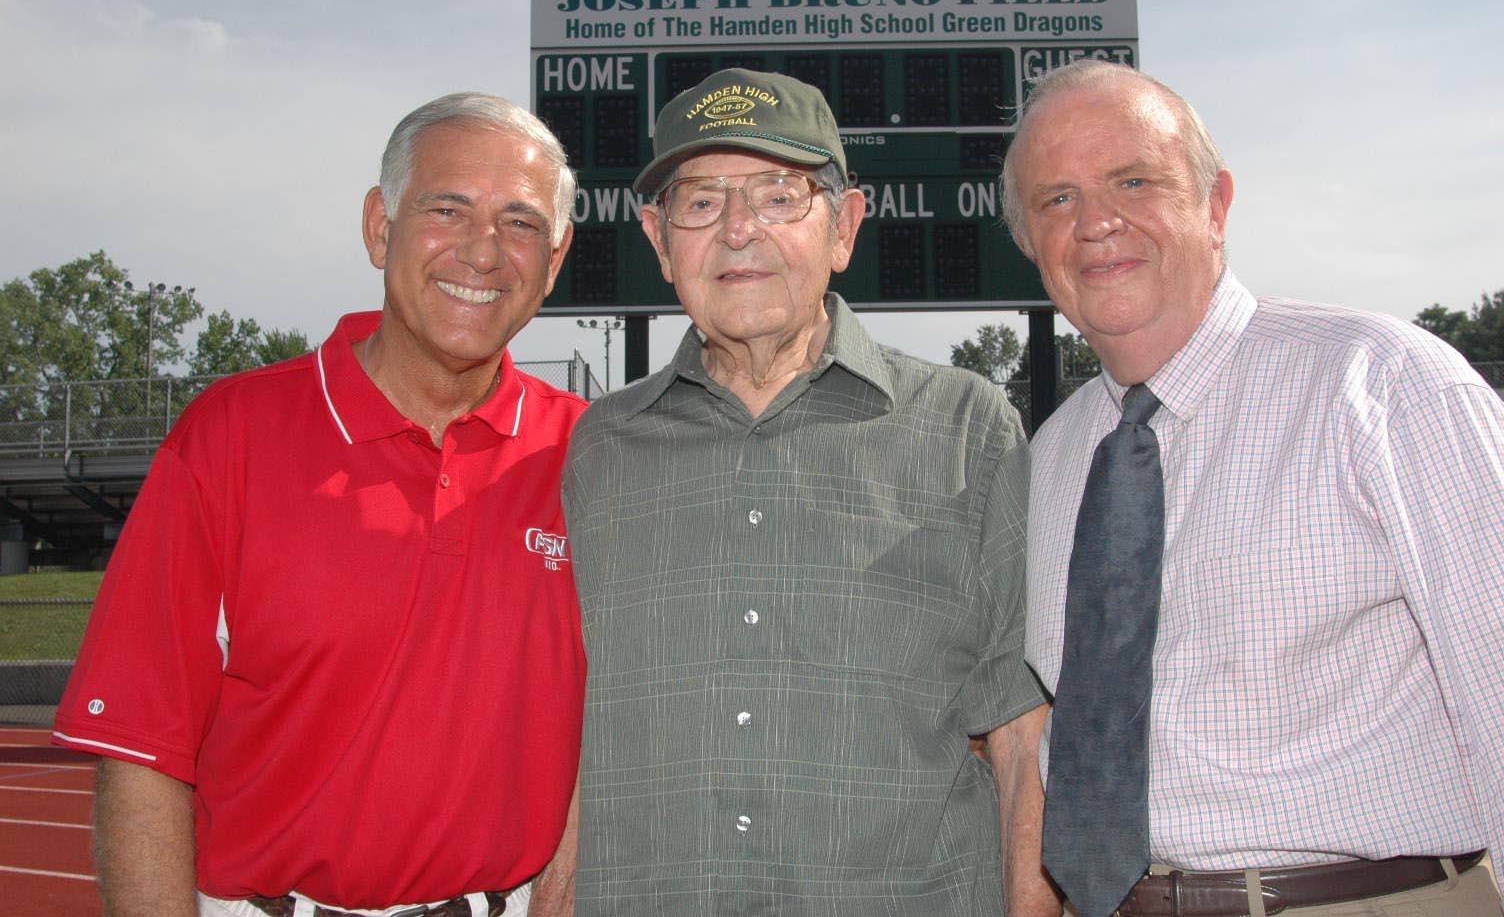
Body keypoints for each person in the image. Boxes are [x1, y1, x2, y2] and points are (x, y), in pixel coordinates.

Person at [53, 93, 588, 917]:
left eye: (520, 223)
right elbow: (140, 749)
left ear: (554, 259)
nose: (483, 252)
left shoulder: (593, 456)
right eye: (447, 209)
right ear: (380, 226)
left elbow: (620, 722)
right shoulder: (229, 437)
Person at [1008, 58, 1504, 917]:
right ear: (1030, 243)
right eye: (1057, 199)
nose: (1095, 223)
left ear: (1215, 205)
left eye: (1134, 181)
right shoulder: (1052, 457)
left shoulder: (1385, 386)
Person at [556, 67, 1053, 917]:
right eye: (700, 202)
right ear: (659, 240)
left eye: (779, 197)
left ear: (845, 227)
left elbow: (1021, 736)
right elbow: (570, 741)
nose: (738, 230)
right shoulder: (596, 451)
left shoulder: (970, 430)